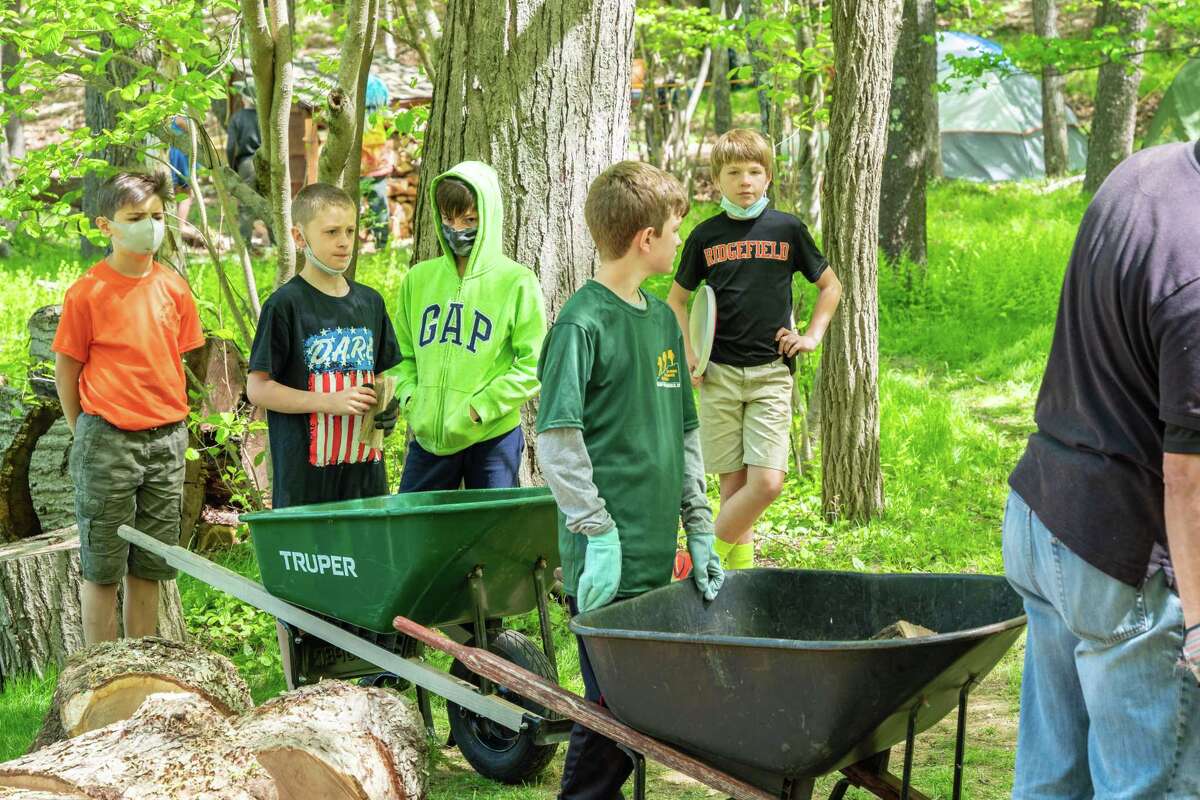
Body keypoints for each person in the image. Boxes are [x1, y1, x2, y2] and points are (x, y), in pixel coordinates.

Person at [1004, 140, 1200, 798]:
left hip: (1043, 513)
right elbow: (1188, 482)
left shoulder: (1147, 170)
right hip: (1122, 561)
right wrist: (1199, 627)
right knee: (1150, 785)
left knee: (1052, 782)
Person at [536, 160, 724, 800]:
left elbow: (686, 435)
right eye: (675, 230)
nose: (680, 242)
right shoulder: (581, 324)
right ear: (646, 238)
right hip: (604, 564)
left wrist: (699, 528)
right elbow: (557, 442)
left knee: (635, 713)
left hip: (656, 557)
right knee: (612, 713)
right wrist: (599, 533)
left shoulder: (664, 320)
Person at [246, 182, 402, 685]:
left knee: (369, 565)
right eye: (331, 231)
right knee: (312, 573)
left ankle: (378, 671)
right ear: (299, 235)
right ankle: (308, 680)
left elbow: (385, 377)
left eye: (351, 231)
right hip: (305, 476)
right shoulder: (286, 306)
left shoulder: (370, 303)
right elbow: (258, 389)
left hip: (363, 474)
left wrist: (386, 408)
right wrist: (327, 402)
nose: (344, 242)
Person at [666, 128, 841, 571]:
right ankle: (734, 583)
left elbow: (830, 286)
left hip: (770, 374)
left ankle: (696, 558)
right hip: (719, 375)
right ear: (717, 179)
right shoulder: (706, 236)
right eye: (734, 172)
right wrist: (691, 353)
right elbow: (677, 301)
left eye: (755, 171)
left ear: (768, 178)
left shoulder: (787, 229)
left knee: (766, 484)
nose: (745, 180)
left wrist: (812, 337)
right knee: (733, 491)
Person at [52, 171, 205, 644]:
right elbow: (67, 369)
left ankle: (144, 663)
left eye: (157, 217)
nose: (149, 226)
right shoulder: (88, 292)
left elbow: (180, 354)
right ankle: (98, 669)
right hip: (107, 439)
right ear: (107, 226)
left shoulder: (173, 287)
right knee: (102, 564)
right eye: (135, 218)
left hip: (166, 438)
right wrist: (86, 431)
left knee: (152, 563)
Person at [393, 161, 545, 492]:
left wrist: (480, 409)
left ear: (488, 217)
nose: (457, 228)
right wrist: (410, 399)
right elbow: (399, 355)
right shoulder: (418, 280)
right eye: (448, 218)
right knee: (415, 530)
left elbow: (533, 365)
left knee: (491, 536)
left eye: (470, 219)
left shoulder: (517, 282)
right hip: (429, 438)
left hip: (492, 437)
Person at [226, 80, 268, 249]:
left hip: (246, 164)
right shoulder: (264, 117)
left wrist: (232, 166)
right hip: (266, 163)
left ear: (244, 98)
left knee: (245, 205)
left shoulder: (237, 118)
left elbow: (230, 147)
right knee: (270, 204)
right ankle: (277, 245)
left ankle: (244, 246)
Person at [360, 73, 394, 251]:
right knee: (377, 205)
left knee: (377, 206)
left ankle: (380, 243)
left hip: (371, 166)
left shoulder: (375, 115)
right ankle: (380, 243)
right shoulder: (381, 113)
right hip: (374, 165)